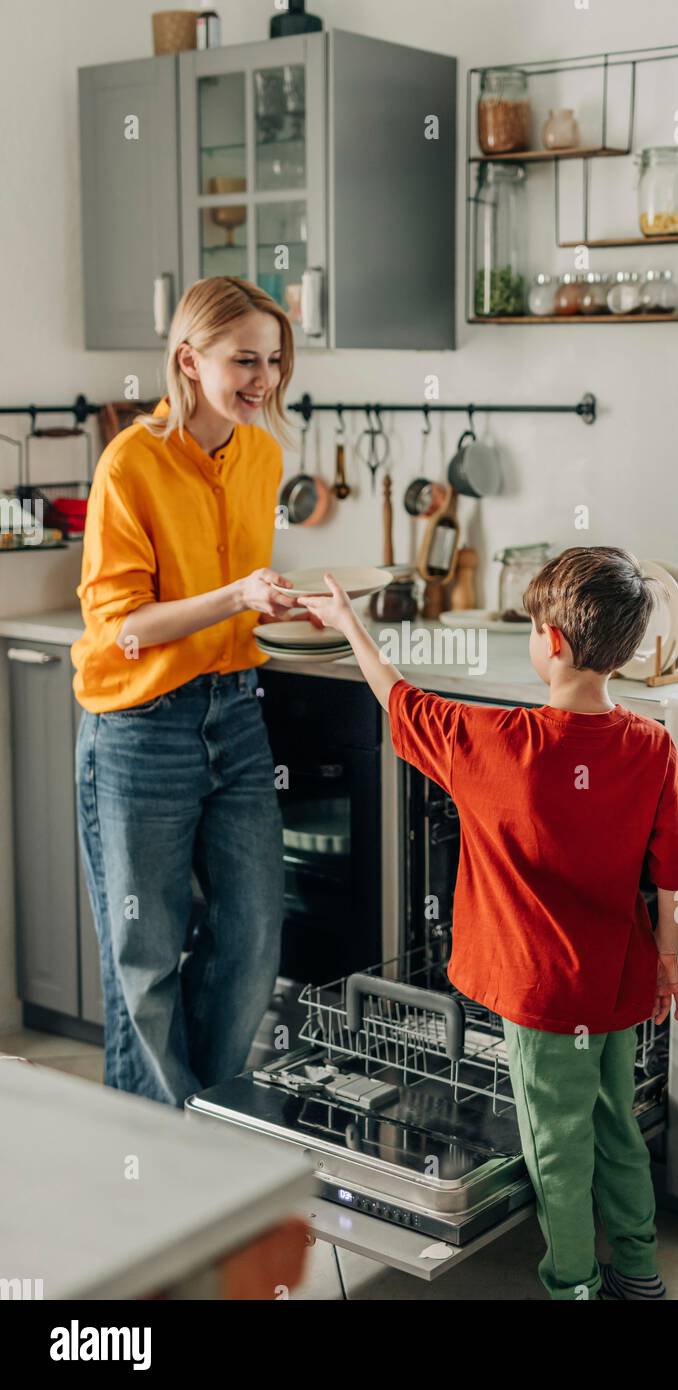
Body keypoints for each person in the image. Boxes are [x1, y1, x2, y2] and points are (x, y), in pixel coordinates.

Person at [297, 547, 678, 1301]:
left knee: (557, 1142)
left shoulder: (496, 742)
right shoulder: (652, 745)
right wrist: (667, 962)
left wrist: (349, 625)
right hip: (617, 984)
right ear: (627, 647)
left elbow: (398, 698)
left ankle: (573, 1284)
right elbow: (676, 875)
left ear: (550, 642)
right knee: (616, 1126)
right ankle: (640, 1271)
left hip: (543, 998)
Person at [72, 275, 307, 1107]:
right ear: (188, 359)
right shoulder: (130, 463)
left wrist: (277, 602)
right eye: (245, 360)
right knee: (145, 957)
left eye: (274, 360)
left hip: (235, 713)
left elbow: (231, 590)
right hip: (140, 728)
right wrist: (238, 597)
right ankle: (161, 1169)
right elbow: (121, 627)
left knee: (251, 939)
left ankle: (202, 1138)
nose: (264, 379)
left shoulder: (264, 455)